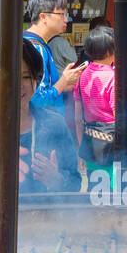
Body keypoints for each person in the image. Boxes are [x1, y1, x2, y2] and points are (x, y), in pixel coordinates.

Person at [20, 39, 80, 195]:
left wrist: (57, 180)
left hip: (42, 216)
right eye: (9, 76)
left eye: (26, 77)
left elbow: (75, 181)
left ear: (37, 79)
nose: (18, 84)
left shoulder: (53, 124)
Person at [22, 0, 85, 114]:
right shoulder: (36, 48)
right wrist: (64, 81)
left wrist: (64, 86)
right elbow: (36, 99)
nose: (66, 19)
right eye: (61, 14)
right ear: (43, 17)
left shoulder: (33, 43)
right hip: (42, 127)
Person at [75, 25, 115, 184]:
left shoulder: (82, 74)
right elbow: (119, 117)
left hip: (91, 141)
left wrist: (81, 149)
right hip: (114, 145)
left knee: (96, 192)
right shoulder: (113, 76)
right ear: (108, 51)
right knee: (116, 196)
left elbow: (77, 118)